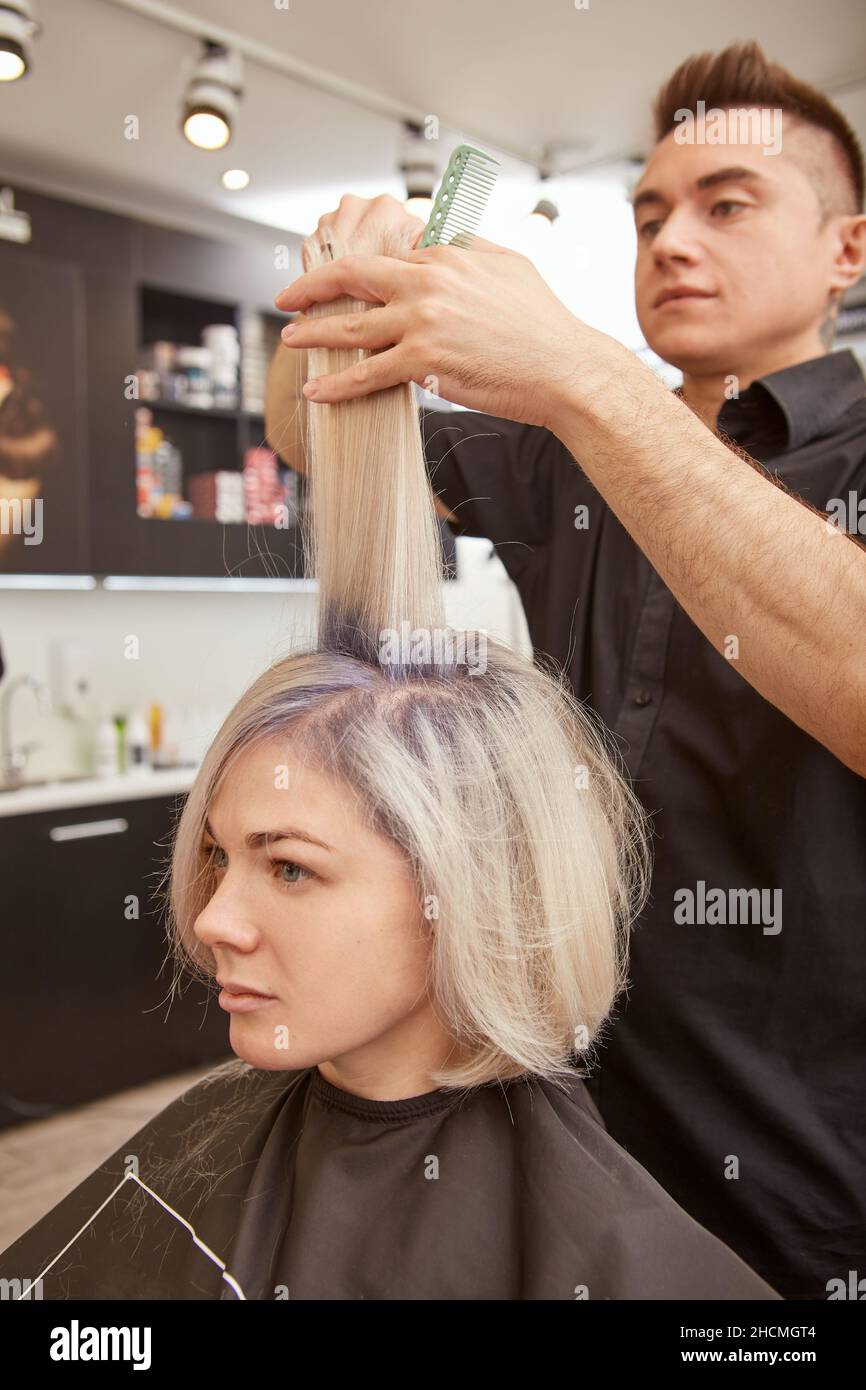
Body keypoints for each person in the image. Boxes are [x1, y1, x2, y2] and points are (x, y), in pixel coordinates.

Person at [0, 219, 779, 1303]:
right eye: (221, 858)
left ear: (470, 889)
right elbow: (310, 428)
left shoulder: (615, 1253)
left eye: (289, 868)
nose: (208, 919)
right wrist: (332, 307)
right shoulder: (196, 1152)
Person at [263, 41, 866, 1300]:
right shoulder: (562, 458)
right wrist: (332, 293)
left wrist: (584, 374)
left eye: (725, 204)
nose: (670, 241)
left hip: (812, 1166)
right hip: (568, 1112)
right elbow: (301, 431)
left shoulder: (597, 416)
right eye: (647, 213)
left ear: (844, 253)